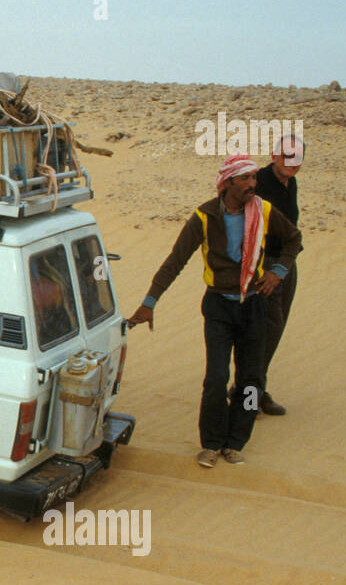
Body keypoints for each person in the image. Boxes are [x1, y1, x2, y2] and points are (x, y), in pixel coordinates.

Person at [127, 154, 302, 468]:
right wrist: (149, 303)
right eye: (246, 178)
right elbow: (174, 262)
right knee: (216, 379)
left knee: (250, 381)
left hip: (254, 306)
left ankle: (235, 443)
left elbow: (293, 240)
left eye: (254, 178)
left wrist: (277, 272)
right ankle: (210, 444)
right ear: (228, 182)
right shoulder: (205, 216)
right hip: (219, 307)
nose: (253, 184)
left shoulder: (263, 211)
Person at [253, 134, 304, 415]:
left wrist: (286, 265)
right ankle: (247, 391)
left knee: (277, 326)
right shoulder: (258, 181)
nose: (292, 162)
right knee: (266, 327)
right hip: (264, 265)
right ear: (274, 155)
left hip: (286, 263)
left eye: (297, 157)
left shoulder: (290, 182)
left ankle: (255, 388)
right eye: (286, 155)